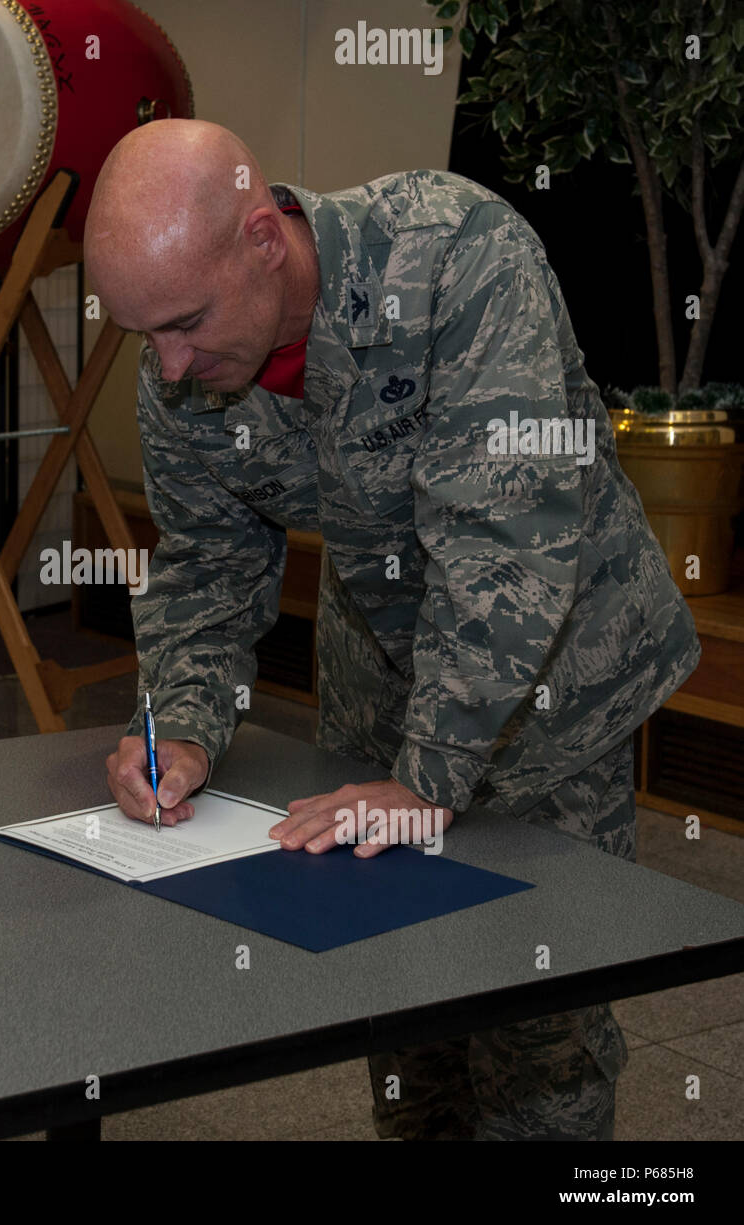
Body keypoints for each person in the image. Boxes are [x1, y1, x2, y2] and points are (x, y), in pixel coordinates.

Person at [83, 118, 701, 1140]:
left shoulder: (460, 257)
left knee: (534, 1020)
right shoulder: (177, 369)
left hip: (550, 677)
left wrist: (425, 781)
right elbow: (206, 567)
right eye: (142, 334)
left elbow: (503, 542)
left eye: (185, 322)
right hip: (381, 676)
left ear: (263, 241)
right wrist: (183, 729)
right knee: (403, 1011)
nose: (171, 364)